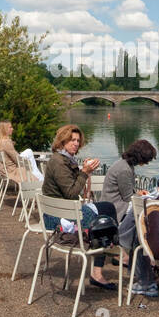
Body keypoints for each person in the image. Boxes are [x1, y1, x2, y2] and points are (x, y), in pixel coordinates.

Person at [41, 124, 117, 290]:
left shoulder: (63, 159)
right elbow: (71, 192)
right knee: (106, 214)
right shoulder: (59, 162)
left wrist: (83, 171)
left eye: (77, 140)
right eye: (71, 140)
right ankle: (106, 260)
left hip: (59, 212)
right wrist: (84, 172)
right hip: (59, 218)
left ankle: (108, 249)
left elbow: (73, 190)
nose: (76, 143)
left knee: (104, 214)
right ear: (62, 142)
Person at [104, 139, 159, 296]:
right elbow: (128, 197)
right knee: (139, 236)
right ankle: (146, 280)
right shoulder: (125, 170)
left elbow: (128, 192)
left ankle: (144, 279)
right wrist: (143, 195)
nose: (146, 164)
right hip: (116, 212)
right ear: (140, 157)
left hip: (117, 207)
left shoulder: (124, 165)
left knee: (139, 235)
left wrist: (138, 192)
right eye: (146, 160)